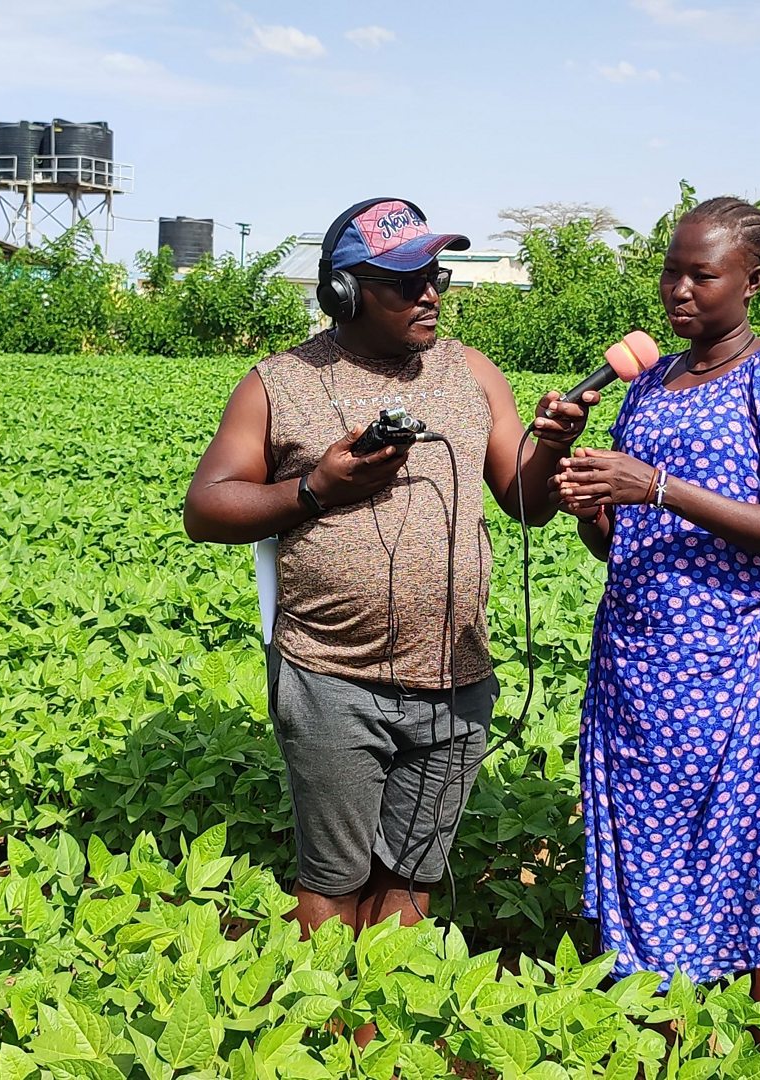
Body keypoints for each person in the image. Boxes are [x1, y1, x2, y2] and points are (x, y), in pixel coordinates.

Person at [183, 197, 596, 943]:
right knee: (334, 880)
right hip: (332, 675)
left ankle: (381, 1037)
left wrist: (555, 447)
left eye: (434, 276)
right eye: (406, 281)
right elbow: (205, 509)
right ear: (343, 292)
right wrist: (315, 490)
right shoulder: (280, 383)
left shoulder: (474, 374)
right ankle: (320, 1036)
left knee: (411, 876)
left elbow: (527, 506)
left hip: (457, 679)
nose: (430, 293)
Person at [552, 196, 760, 1033]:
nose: (678, 289)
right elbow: (621, 543)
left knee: (739, 842)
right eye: (671, 270)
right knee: (642, 846)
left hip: (731, 663)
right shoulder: (652, 383)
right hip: (636, 662)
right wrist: (590, 502)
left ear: (752, 282)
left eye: (700, 274)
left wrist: (657, 486)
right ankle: (659, 1032)